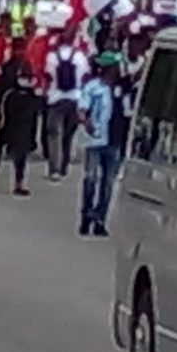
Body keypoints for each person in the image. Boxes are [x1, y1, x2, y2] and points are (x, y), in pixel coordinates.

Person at [0, 37, 40, 197]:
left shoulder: (28, 67)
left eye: (22, 49)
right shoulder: (6, 68)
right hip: (6, 112)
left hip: (23, 114)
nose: (20, 53)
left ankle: (19, 182)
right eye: (18, 49)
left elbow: (35, 90)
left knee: (21, 149)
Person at [78, 52, 121, 237]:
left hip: (114, 139)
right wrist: (85, 120)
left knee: (108, 182)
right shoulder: (93, 86)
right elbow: (82, 108)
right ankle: (86, 214)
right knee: (91, 178)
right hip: (95, 138)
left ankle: (100, 218)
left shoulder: (121, 88)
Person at [44, 31, 90, 182]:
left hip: (55, 98)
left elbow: (48, 76)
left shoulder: (51, 56)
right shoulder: (80, 56)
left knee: (54, 134)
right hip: (75, 98)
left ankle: (54, 169)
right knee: (68, 135)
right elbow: (85, 76)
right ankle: (64, 165)